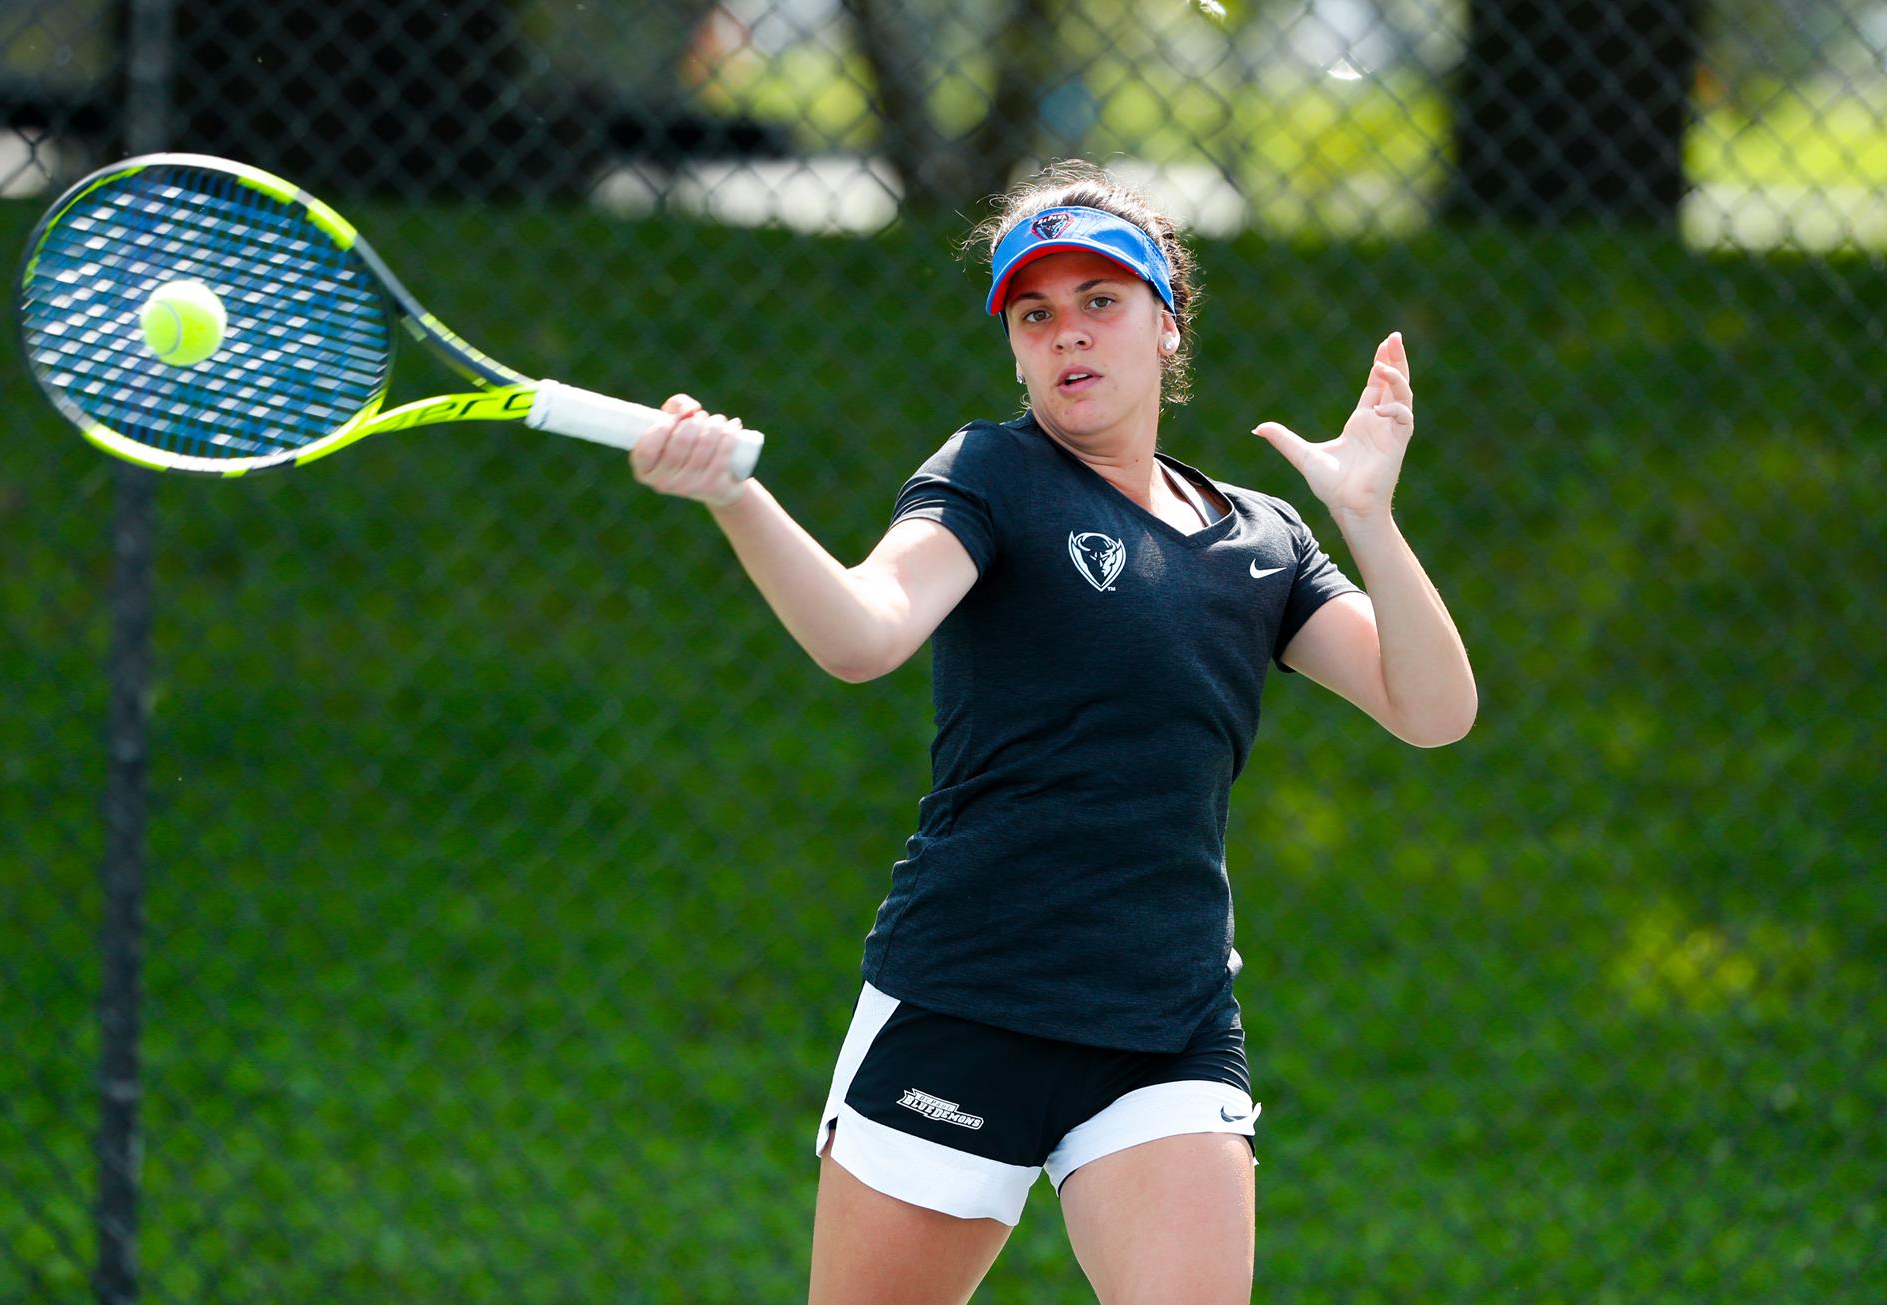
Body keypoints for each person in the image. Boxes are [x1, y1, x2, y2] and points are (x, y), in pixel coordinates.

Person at [627, 160, 1476, 1305]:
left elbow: (1430, 711)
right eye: (1035, 315)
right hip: (966, 1001)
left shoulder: (1260, 541)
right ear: (1014, 348)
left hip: (1162, 1023)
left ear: (1164, 325)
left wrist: (1366, 518)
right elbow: (863, 632)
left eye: (1099, 302)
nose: (1066, 334)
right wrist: (737, 495)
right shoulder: (991, 478)